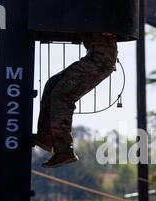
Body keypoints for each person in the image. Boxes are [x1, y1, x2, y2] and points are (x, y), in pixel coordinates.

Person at [34, 32, 118, 168]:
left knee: (62, 95)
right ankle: (46, 136)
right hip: (95, 57)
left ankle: (64, 150)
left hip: (100, 59)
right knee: (52, 85)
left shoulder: (99, 11)